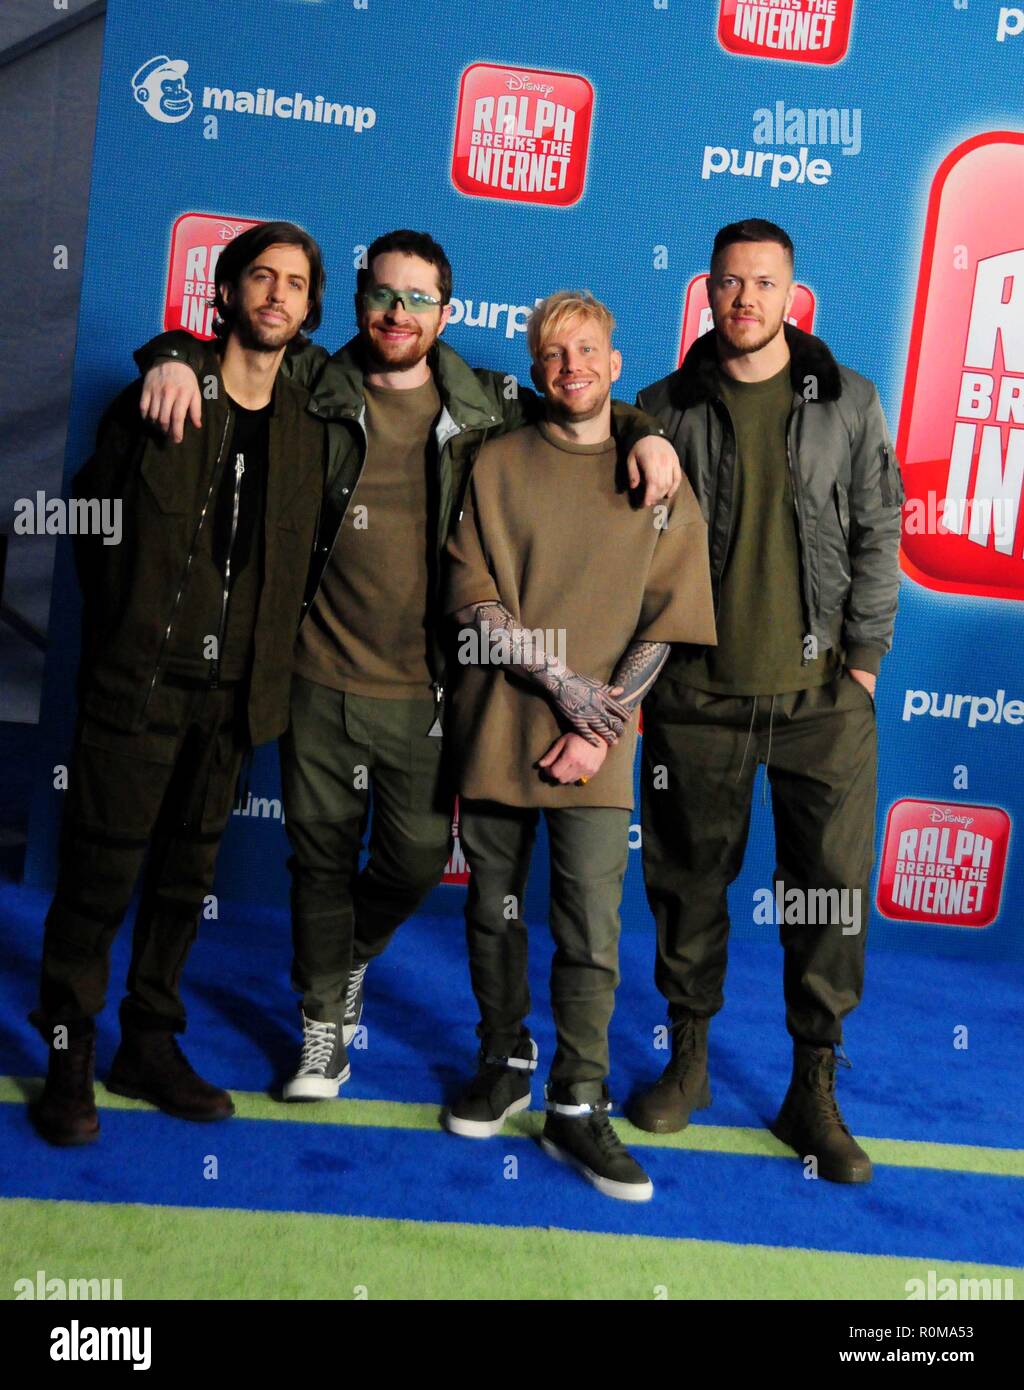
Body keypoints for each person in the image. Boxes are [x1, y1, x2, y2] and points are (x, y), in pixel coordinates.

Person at [135, 231, 681, 1103]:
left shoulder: (487, 403)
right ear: (356, 305)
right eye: (384, 296)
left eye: (419, 299)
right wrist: (166, 357)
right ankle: (322, 1034)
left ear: (446, 312)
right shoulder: (315, 381)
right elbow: (230, 350)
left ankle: (351, 950)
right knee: (315, 862)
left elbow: (580, 401)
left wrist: (645, 431)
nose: (399, 313)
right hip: (315, 672)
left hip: (432, 685)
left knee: (419, 856)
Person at [31, 221, 328, 1144]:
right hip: (140, 690)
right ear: (229, 291)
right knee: (97, 879)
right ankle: (69, 1055)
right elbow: (92, 525)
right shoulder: (156, 399)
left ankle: (147, 1043)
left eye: (294, 284)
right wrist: (129, 630)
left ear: (310, 308)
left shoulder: (314, 426)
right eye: (261, 278)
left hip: (235, 701)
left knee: (181, 884)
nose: (276, 295)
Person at [630, 219, 903, 1183]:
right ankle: (690, 1062)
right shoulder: (660, 408)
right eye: (729, 284)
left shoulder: (849, 402)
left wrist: (862, 664)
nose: (745, 300)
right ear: (705, 291)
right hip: (699, 697)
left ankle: (812, 1090)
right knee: (688, 884)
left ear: (793, 294)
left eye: (764, 284)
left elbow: (879, 533)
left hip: (824, 704)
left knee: (826, 896)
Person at [443, 291, 716, 1201]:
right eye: (555, 353)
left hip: (598, 750)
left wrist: (598, 727)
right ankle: (501, 1056)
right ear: (535, 368)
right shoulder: (493, 463)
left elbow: (666, 623)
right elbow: (475, 601)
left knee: (590, 932)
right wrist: (563, 688)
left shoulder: (658, 477)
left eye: (588, 350)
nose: (572, 366)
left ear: (614, 358)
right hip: (496, 728)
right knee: (492, 913)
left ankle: (577, 1102)